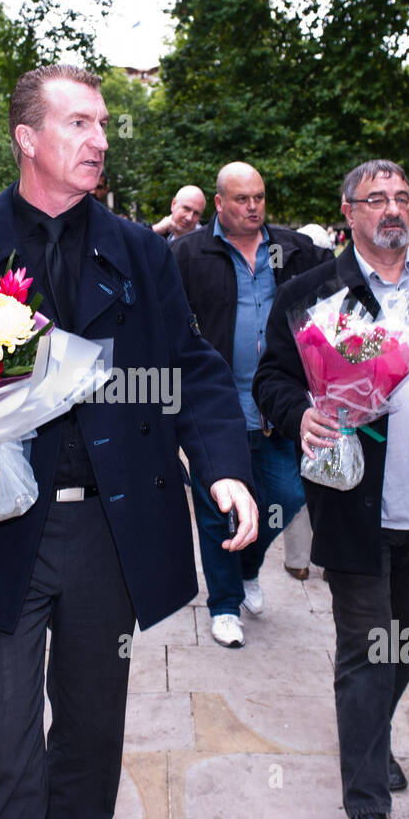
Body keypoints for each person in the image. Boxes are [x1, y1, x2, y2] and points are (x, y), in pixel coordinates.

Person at [0, 64, 258, 819]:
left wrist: (225, 468)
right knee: (4, 749)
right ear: (26, 138)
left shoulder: (140, 251)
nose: (99, 140)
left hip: (111, 530)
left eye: (102, 124)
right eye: (79, 124)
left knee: (93, 740)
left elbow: (192, 367)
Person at [253, 158, 409, 819]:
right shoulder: (310, 292)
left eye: (402, 197)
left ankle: (375, 732)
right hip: (356, 498)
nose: (392, 208)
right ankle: (365, 799)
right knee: (364, 647)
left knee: (407, 639)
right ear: (349, 211)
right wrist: (296, 412)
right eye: (376, 198)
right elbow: (272, 379)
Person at [171, 162, 331, 647]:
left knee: (286, 497)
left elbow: (345, 284)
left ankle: (247, 566)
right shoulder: (187, 254)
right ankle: (222, 604)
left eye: (259, 197)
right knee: (216, 508)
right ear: (219, 204)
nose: (253, 206)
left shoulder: (296, 250)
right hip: (216, 408)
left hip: (279, 406)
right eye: (242, 199)